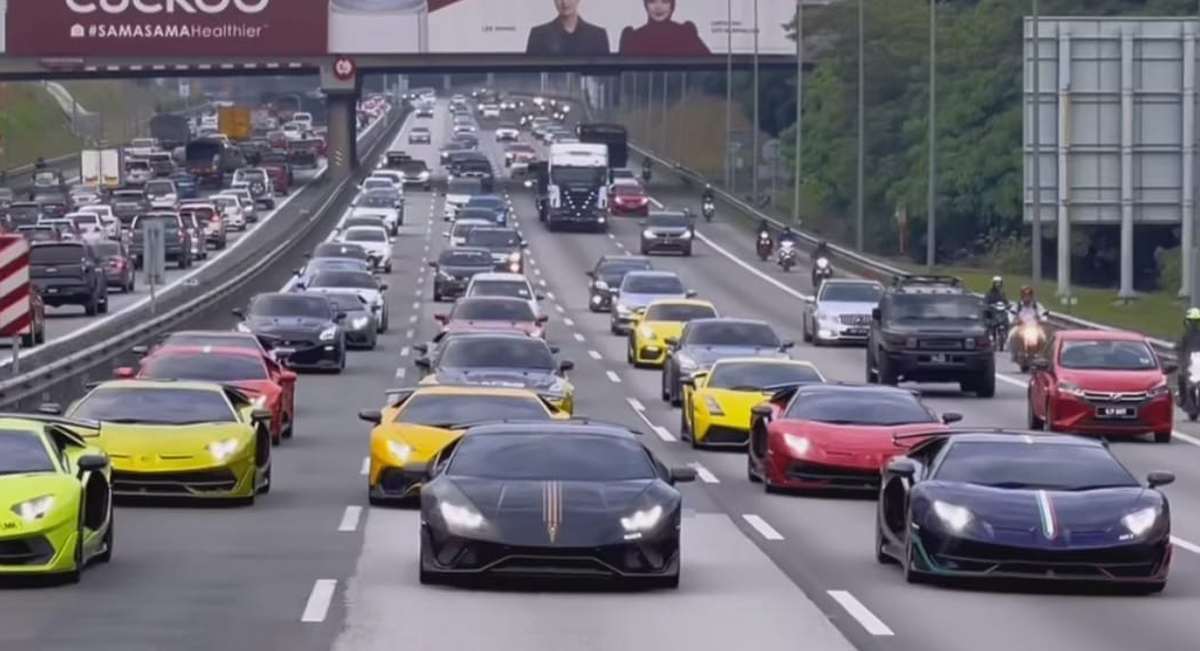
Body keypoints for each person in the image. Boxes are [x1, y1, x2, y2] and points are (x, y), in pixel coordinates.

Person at [618, 0, 711, 56]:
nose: (658, 7)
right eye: (652, 1)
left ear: (672, 4)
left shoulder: (686, 33)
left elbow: (711, 70)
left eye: (665, 1)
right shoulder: (632, 38)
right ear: (646, 5)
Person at [525, 0, 610, 56]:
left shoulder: (598, 37)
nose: (564, 2)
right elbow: (531, 78)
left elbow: (605, 78)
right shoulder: (538, 36)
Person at [1178, 308, 1200, 403]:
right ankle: (1183, 399)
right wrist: (1183, 362)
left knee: (1181, 377)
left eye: (1196, 322)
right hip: (1190, 363)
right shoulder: (1185, 336)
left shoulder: (1186, 335)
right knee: (1181, 377)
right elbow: (1181, 349)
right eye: (1192, 322)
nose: (1194, 324)